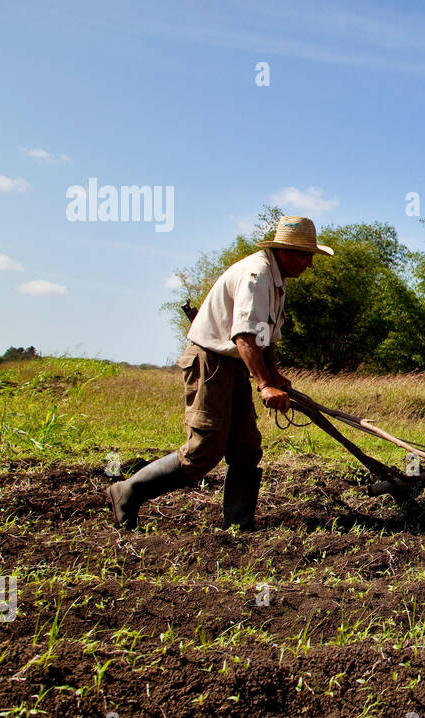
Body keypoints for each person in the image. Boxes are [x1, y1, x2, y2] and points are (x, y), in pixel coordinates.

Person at [108, 216, 333, 531]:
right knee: (204, 450)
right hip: (211, 361)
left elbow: (263, 334)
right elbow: (244, 336)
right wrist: (265, 385)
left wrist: (274, 373)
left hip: (236, 363)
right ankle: (127, 490)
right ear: (285, 252)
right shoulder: (258, 276)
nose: (310, 264)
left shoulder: (276, 279)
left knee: (246, 448)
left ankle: (238, 527)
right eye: (306, 255)